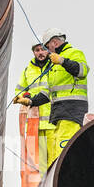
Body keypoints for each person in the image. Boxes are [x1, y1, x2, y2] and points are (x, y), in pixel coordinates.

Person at [13, 27, 88, 166]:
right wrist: (30, 101)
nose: (47, 51)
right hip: (58, 115)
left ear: (54, 42)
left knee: (63, 153)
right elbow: (47, 92)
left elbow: (82, 71)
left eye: (47, 47)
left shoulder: (73, 53)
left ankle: (65, 184)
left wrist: (62, 61)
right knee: (53, 158)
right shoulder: (52, 64)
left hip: (71, 112)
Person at [14, 40, 55, 172]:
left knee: (54, 158)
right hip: (34, 124)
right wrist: (24, 96)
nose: (40, 53)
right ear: (33, 52)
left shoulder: (54, 67)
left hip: (52, 122)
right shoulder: (28, 70)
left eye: (43, 49)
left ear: (48, 50)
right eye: (37, 50)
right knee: (37, 162)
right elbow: (18, 91)